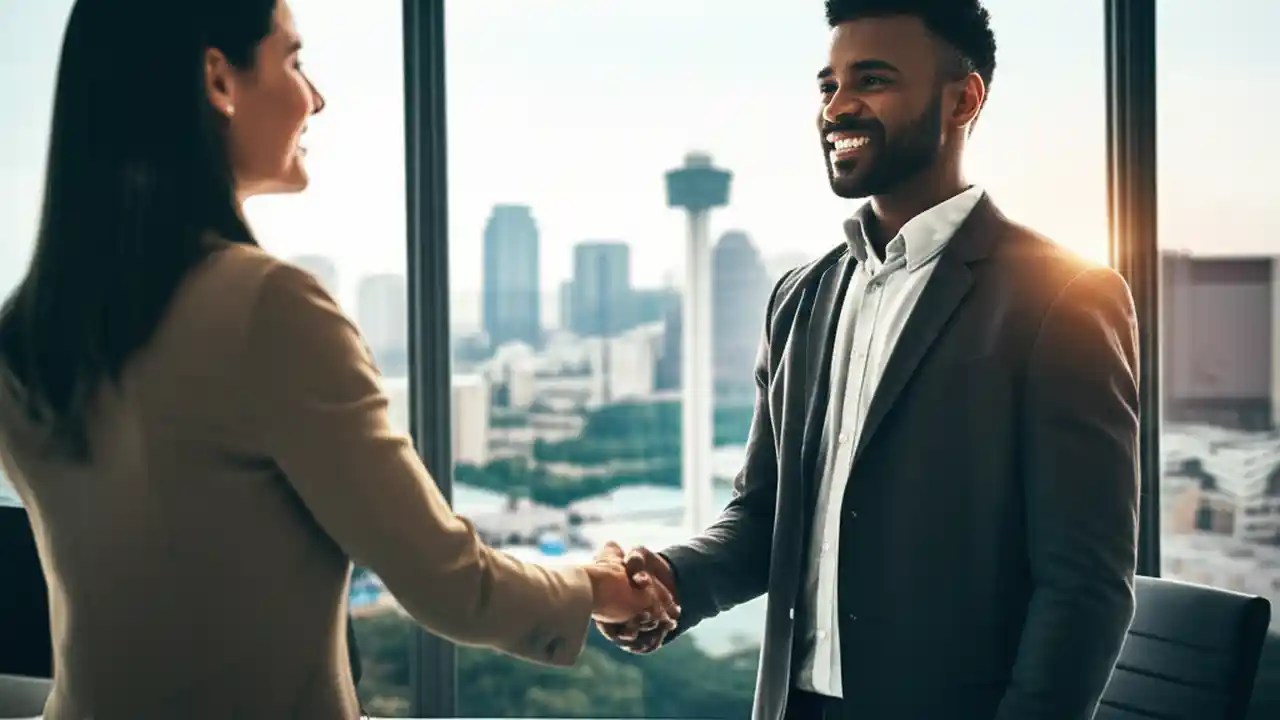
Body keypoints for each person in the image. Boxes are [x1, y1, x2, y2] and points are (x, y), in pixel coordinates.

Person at [0, 1, 675, 718]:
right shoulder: (271, 309)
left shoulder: (24, 334)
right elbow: (450, 584)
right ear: (218, 80)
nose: (314, 97)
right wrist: (596, 586)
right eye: (293, 61)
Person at [598, 1, 1140, 718]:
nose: (838, 106)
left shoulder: (1062, 297)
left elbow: (1084, 586)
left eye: (873, 81)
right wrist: (670, 576)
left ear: (963, 99)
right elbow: (766, 516)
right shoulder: (801, 296)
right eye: (827, 86)